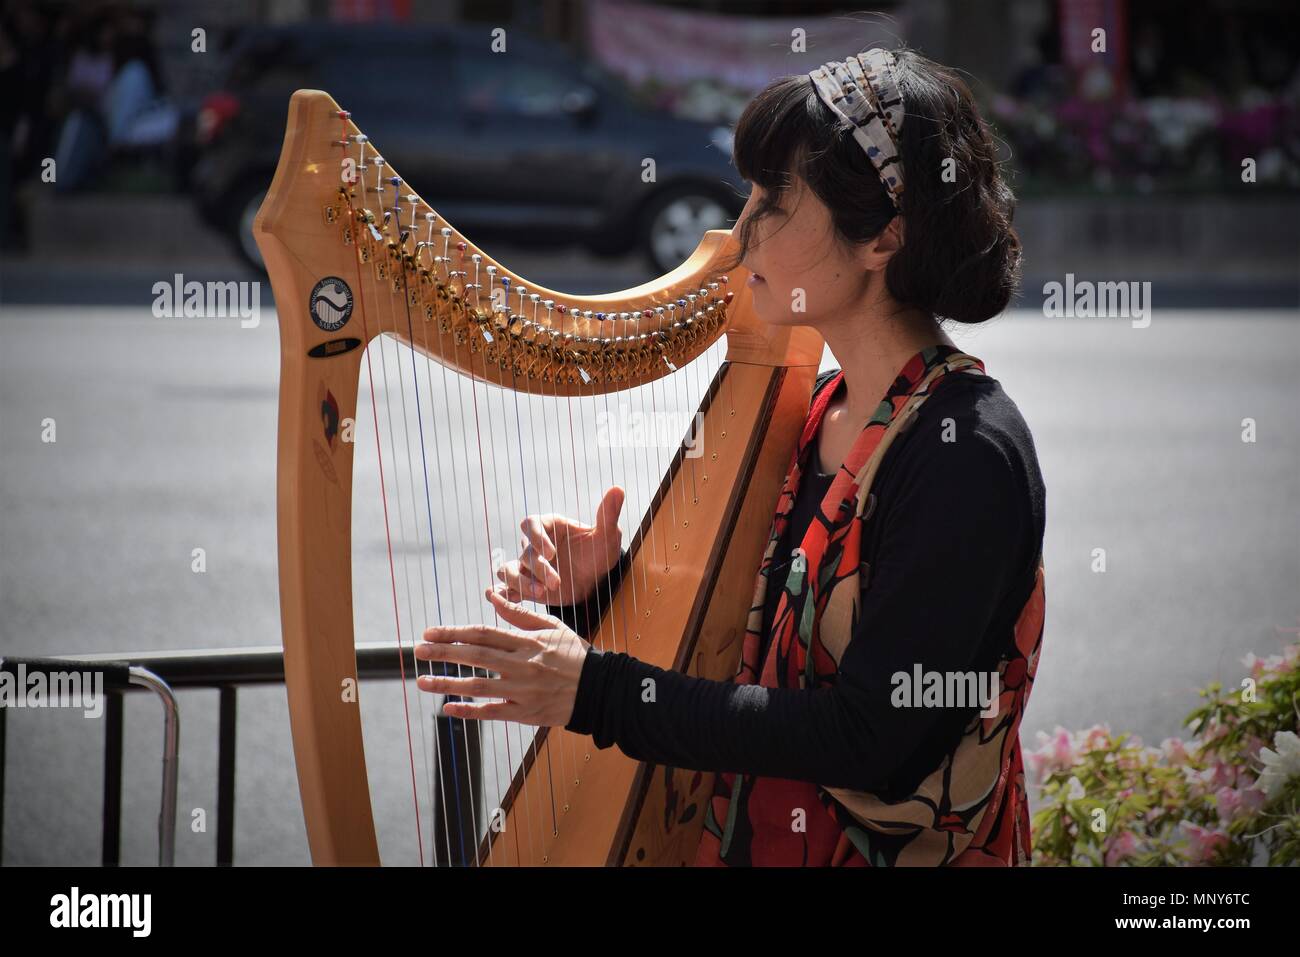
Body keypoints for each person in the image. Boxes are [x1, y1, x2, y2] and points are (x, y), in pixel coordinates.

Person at [415, 45, 1047, 867]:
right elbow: (740, 661)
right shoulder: (811, 406)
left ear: (882, 238)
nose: (739, 229)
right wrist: (608, 594)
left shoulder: (966, 453)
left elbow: (873, 739)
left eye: (774, 200)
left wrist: (595, 689)